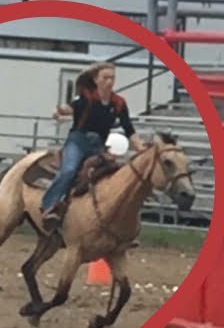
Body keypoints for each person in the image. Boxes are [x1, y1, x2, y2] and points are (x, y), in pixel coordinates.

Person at [40, 61, 145, 231]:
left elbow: (129, 129)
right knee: (68, 170)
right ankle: (48, 206)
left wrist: (140, 147)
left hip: (99, 146)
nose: (109, 82)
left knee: (116, 176)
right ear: (96, 80)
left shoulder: (118, 103)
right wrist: (59, 111)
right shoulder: (87, 97)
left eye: (112, 78)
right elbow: (70, 108)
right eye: (105, 78)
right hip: (78, 141)